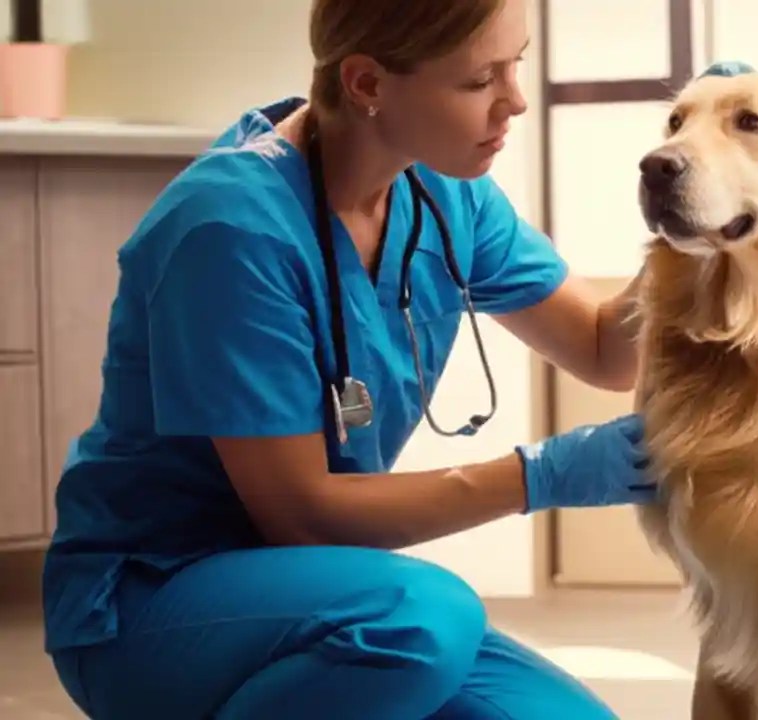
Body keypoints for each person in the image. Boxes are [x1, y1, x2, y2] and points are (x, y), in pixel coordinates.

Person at [40, 1, 657, 718]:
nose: (515, 101)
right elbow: (300, 518)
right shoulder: (230, 229)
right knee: (421, 622)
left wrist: (691, 217)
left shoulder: (447, 196)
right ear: (366, 84)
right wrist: (537, 477)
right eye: (480, 80)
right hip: (152, 602)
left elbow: (606, 349)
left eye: (516, 64)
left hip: (319, 594)